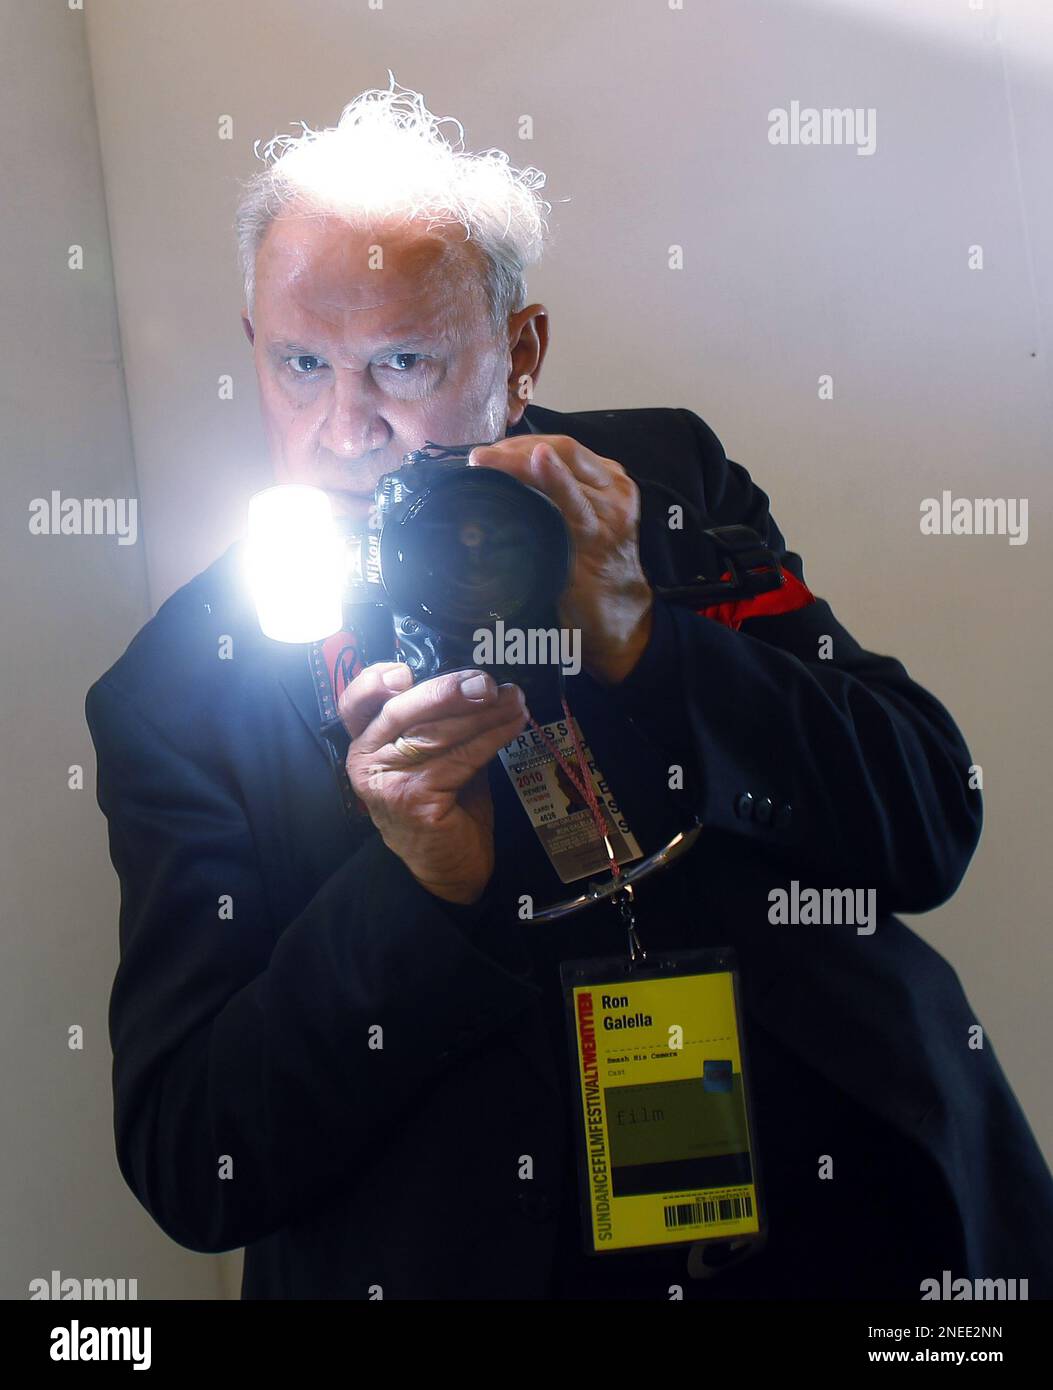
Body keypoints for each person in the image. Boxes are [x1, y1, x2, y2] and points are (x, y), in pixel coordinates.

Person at [85, 75, 1053, 1300]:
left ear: (520, 350)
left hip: (850, 1232)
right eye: (298, 364)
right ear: (252, 353)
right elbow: (198, 1161)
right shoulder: (182, 682)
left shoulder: (650, 488)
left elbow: (930, 824)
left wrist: (655, 645)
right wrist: (418, 890)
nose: (346, 428)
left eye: (401, 360)